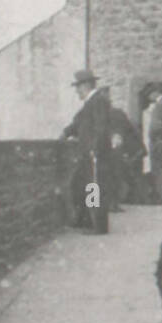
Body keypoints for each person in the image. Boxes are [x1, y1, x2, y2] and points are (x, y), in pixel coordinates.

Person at [62, 68, 113, 235]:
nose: (76, 91)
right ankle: (88, 221)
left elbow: (101, 127)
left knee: (94, 187)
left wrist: (95, 148)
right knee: (83, 185)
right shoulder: (91, 103)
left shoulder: (98, 101)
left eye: (77, 87)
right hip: (89, 153)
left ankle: (98, 226)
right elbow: (78, 123)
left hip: (94, 153)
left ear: (85, 86)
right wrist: (65, 133)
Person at [107, 99, 146, 208]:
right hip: (130, 150)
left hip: (127, 150)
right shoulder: (119, 114)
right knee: (122, 176)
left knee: (118, 176)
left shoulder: (112, 115)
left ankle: (114, 203)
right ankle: (117, 203)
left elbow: (120, 135)